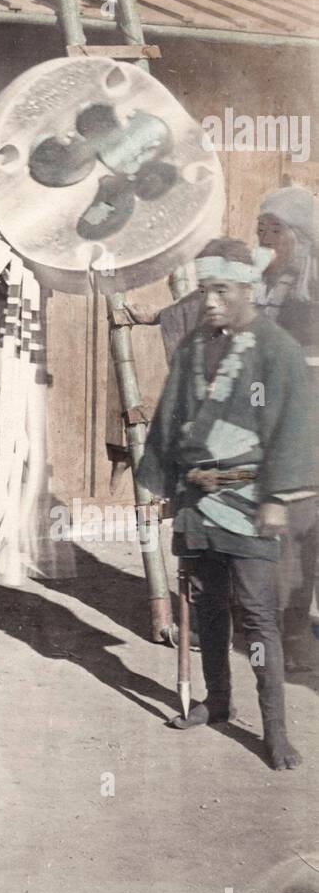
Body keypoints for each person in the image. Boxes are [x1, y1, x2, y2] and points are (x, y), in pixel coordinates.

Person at [137, 237, 316, 771]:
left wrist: (278, 497)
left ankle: (275, 730)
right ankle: (217, 702)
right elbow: (169, 416)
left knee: (259, 619)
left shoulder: (275, 348)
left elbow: (293, 426)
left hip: (248, 501)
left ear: (247, 290)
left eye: (221, 291)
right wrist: (156, 481)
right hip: (195, 500)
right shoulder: (194, 347)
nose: (210, 301)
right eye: (205, 291)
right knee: (207, 608)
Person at [255, 187, 318, 672]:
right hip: (267, 415)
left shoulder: (311, 289)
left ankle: (295, 629)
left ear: (298, 235)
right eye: (261, 228)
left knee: (302, 526)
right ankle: (264, 623)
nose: (264, 237)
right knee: (270, 521)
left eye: (274, 229)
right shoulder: (261, 283)